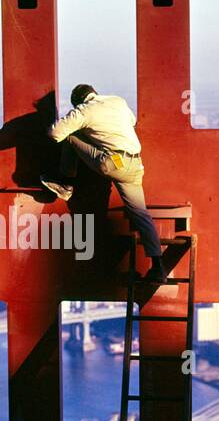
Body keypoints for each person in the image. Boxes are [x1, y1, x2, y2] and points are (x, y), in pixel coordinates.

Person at [42, 84, 169, 283]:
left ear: (78, 101)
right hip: (134, 164)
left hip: (112, 163)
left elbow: (55, 133)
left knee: (71, 136)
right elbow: (132, 121)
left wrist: (81, 126)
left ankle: (65, 184)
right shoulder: (118, 101)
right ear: (94, 93)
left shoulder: (84, 110)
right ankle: (158, 267)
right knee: (141, 214)